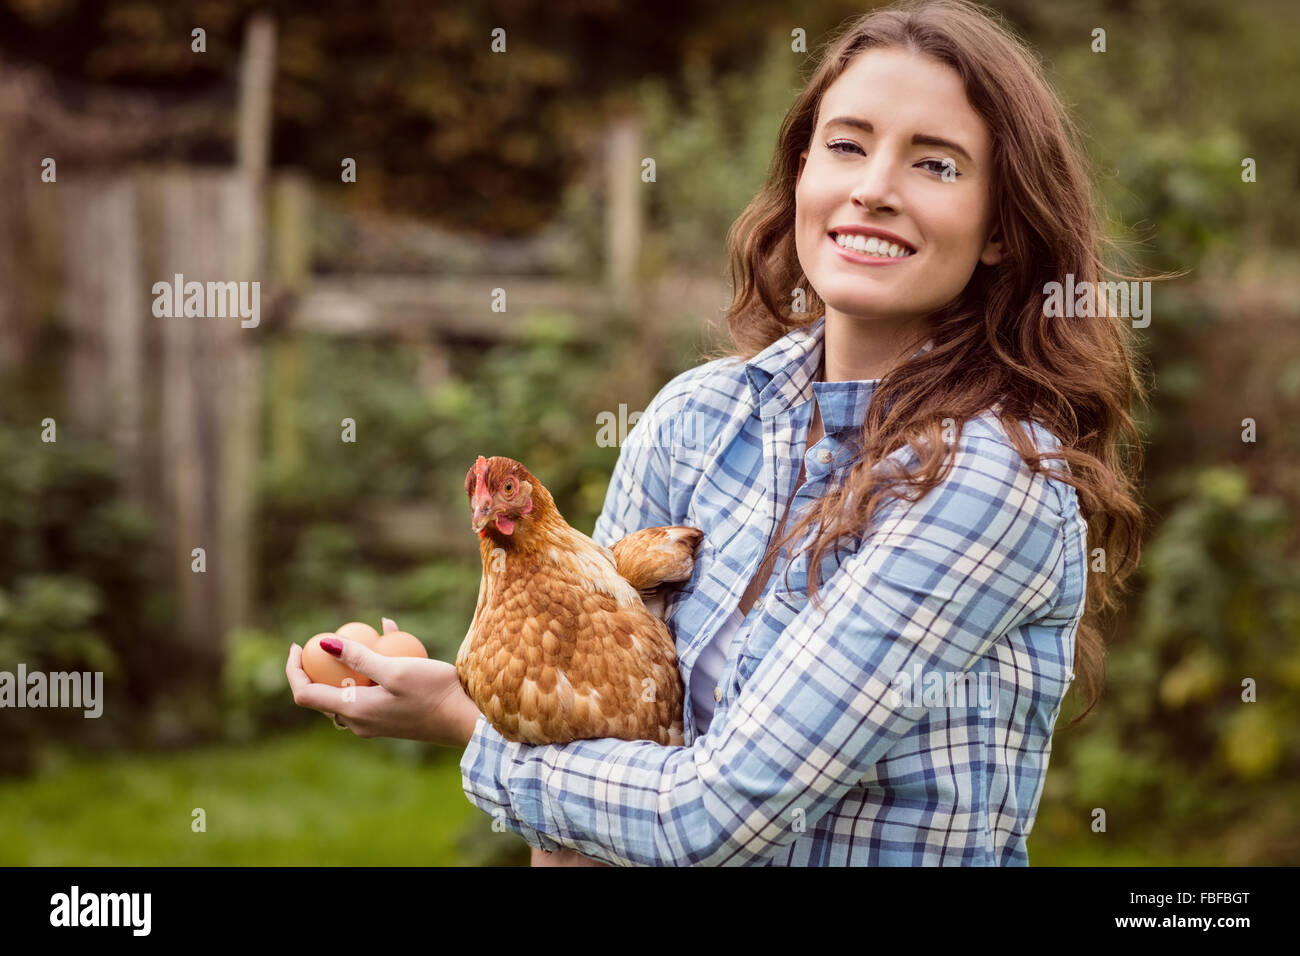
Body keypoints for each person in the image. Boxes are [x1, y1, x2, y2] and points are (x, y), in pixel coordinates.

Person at [287, 0, 1146, 865]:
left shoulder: (991, 479)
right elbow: (580, 817)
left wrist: (459, 717)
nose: (874, 188)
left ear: (1001, 226)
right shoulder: (695, 420)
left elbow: (719, 815)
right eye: (847, 145)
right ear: (803, 169)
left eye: (936, 164)